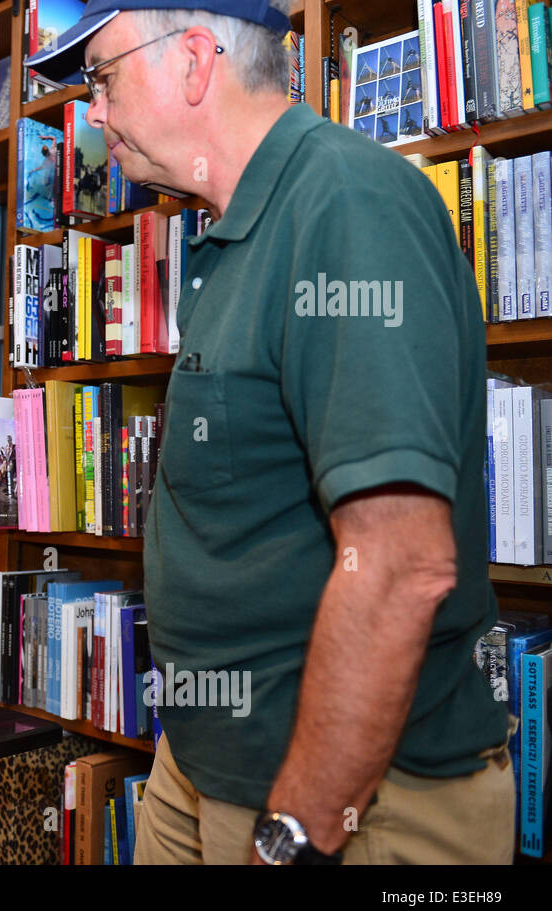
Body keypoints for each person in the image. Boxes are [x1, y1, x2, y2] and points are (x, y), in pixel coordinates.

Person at [28, 0, 513, 864]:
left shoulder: (347, 202)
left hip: (350, 801)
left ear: (193, 59)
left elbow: (402, 561)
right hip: (208, 761)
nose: (92, 112)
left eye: (100, 75)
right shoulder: (231, 233)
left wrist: (295, 831)